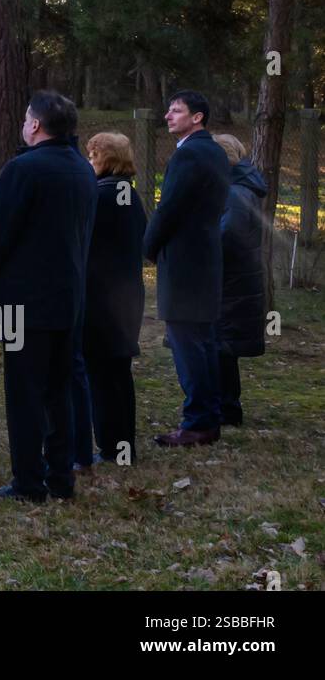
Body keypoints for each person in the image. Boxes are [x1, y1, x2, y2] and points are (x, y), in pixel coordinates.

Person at [0, 91, 97, 503]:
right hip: (69, 298)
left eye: (27, 118)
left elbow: (0, 231)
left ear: (35, 125)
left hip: (26, 301)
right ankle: (60, 476)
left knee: (24, 395)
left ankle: (28, 482)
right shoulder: (82, 169)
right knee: (58, 392)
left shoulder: (24, 169)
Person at [144, 90, 230, 447]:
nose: (167, 115)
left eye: (176, 111)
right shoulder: (214, 152)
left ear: (197, 117)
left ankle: (198, 421)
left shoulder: (190, 155)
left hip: (185, 262)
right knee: (203, 341)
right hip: (205, 258)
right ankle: (209, 415)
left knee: (188, 343)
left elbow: (170, 209)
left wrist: (146, 247)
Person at [83, 132, 147, 467]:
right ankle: (124, 447)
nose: (88, 161)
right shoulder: (128, 195)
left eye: (93, 156)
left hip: (102, 297)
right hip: (127, 295)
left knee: (102, 373)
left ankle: (111, 447)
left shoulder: (103, 196)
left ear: (106, 158)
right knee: (118, 372)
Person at [211, 134, 267, 428]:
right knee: (224, 348)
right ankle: (226, 407)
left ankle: (227, 409)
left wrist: (202, 251)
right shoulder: (243, 188)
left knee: (222, 347)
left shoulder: (232, 192)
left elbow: (228, 234)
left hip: (230, 282)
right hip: (239, 280)